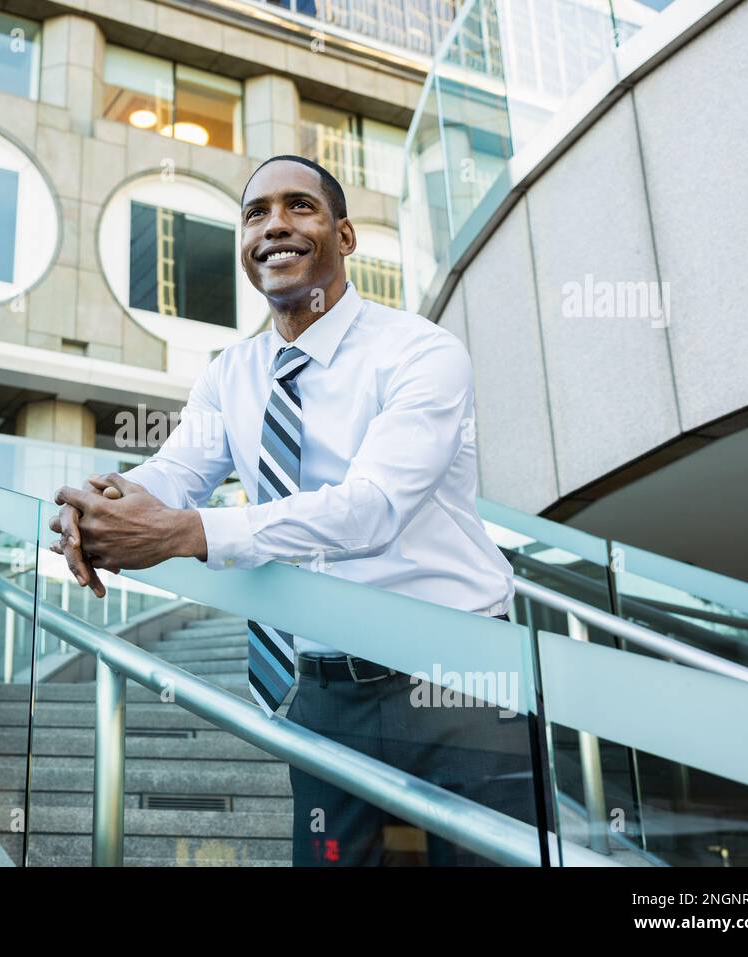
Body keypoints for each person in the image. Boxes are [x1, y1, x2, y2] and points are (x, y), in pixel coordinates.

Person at [49, 155, 539, 866]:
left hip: (455, 678)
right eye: (255, 213)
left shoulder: (420, 352)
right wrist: (98, 507)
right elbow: (175, 472)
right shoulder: (230, 373)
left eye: (299, 207)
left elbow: (370, 510)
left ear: (344, 236)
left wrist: (189, 532)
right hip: (321, 689)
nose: (275, 224)